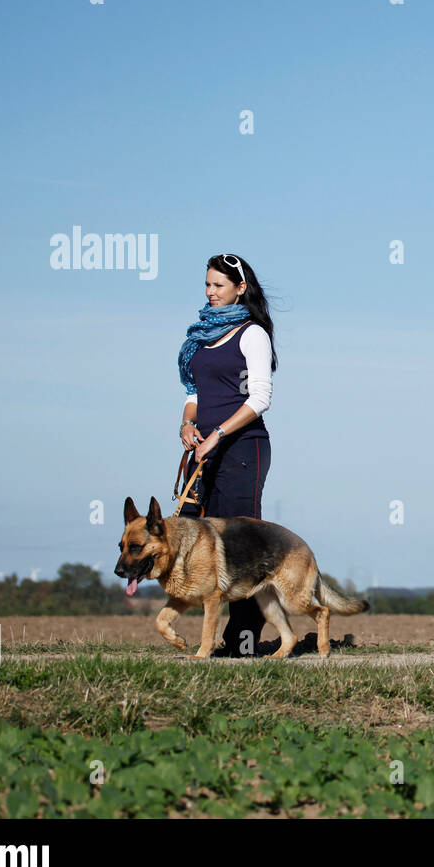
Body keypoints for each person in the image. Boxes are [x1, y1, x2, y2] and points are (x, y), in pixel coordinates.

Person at [177, 253, 276, 657]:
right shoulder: (198, 338)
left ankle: (243, 644)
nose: (210, 292)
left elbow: (261, 397)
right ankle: (207, 635)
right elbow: (194, 394)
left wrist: (218, 433)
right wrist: (187, 424)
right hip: (204, 450)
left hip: (242, 448)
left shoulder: (252, 333)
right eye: (206, 285)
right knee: (198, 539)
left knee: (239, 547)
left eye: (218, 285)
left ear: (240, 288)